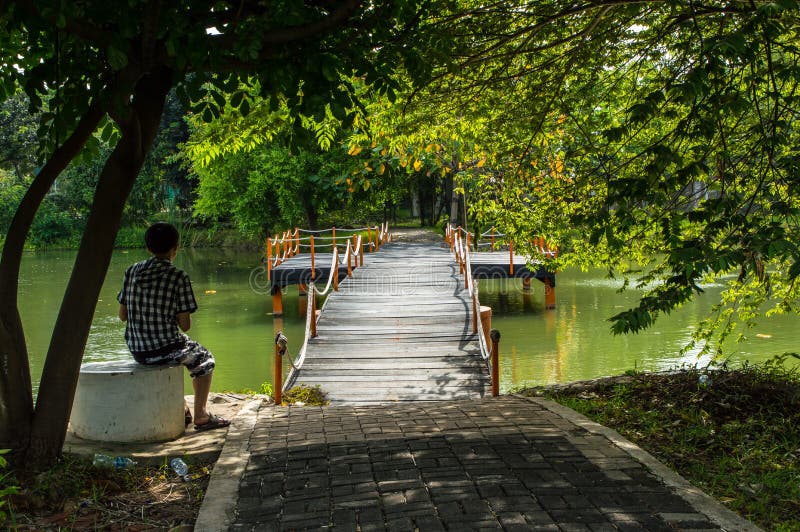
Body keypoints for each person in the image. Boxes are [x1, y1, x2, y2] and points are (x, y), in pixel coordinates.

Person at [117, 222, 230, 432]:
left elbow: (122, 316)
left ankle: (183, 410)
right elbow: (185, 326)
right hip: (164, 349)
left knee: (182, 352)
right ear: (175, 248)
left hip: (138, 350)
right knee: (205, 359)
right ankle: (202, 415)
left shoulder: (131, 271)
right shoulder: (178, 276)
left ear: (148, 248)